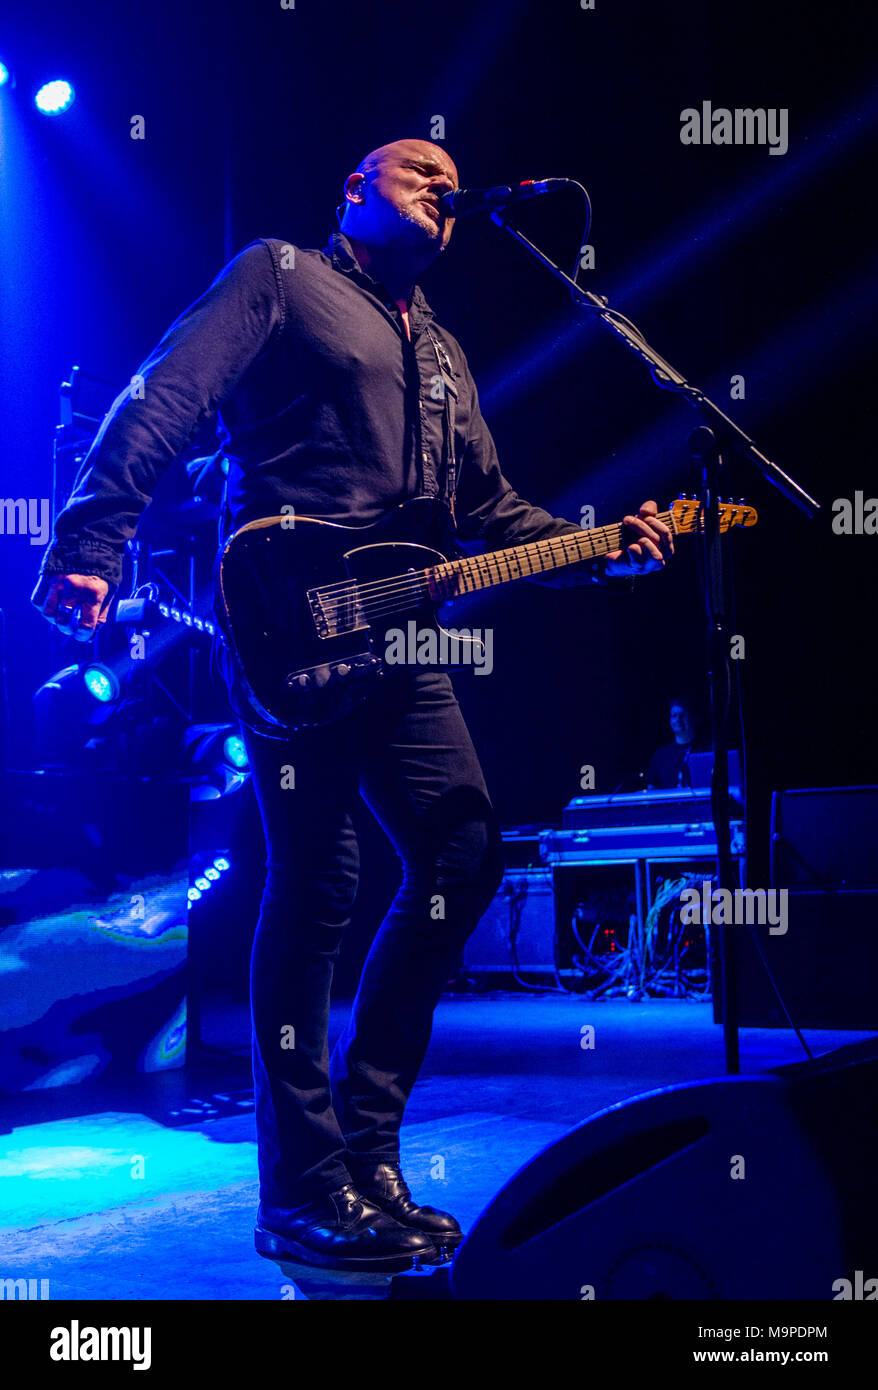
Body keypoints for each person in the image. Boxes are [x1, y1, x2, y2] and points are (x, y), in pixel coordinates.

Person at [31, 138, 674, 1270]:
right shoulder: (280, 276)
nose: (443, 185)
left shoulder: (442, 354)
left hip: (408, 632)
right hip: (289, 614)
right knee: (320, 881)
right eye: (417, 167)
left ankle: (368, 1151)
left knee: (462, 851)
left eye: (450, 181)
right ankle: (300, 1184)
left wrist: (601, 544)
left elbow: (495, 515)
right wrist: (92, 537)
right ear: (352, 187)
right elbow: (163, 394)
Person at [646, 695, 701, 789]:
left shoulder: (709, 751)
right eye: (674, 715)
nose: (678, 719)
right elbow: (651, 792)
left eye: (682, 715)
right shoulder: (660, 756)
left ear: (695, 719)